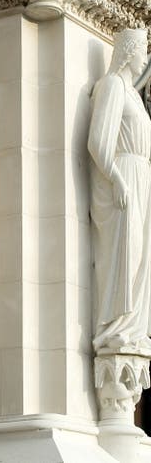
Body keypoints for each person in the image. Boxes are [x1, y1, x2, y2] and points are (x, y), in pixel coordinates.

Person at [88, 27, 151, 351]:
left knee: (141, 259)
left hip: (140, 176)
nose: (145, 57)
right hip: (123, 175)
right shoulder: (111, 86)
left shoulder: (133, 96)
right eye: (142, 50)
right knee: (127, 253)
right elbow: (98, 142)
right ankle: (116, 330)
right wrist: (116, 178)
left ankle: (134, 330)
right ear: (128, 52)